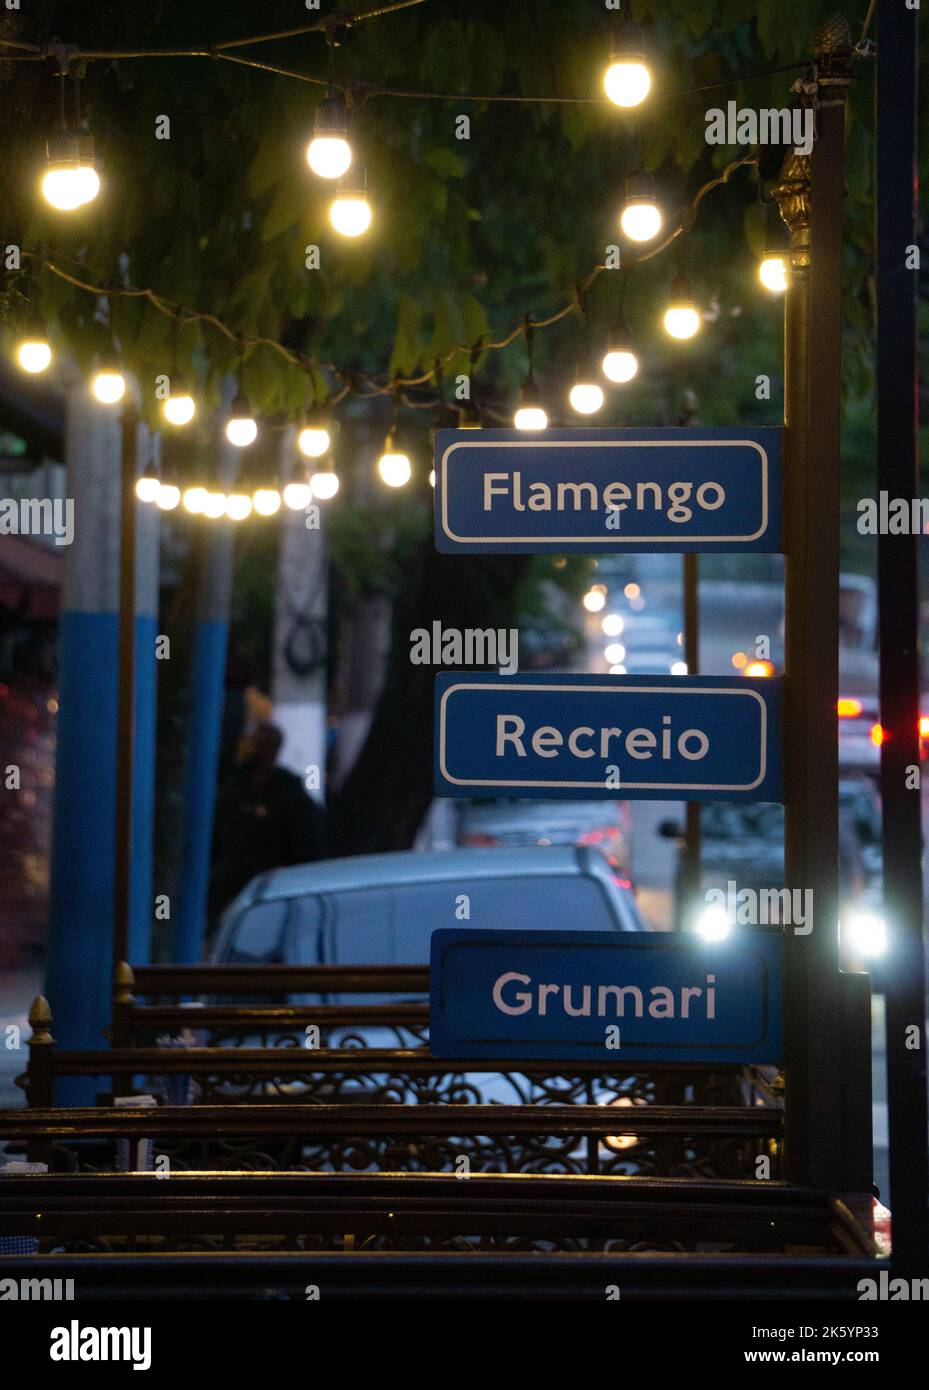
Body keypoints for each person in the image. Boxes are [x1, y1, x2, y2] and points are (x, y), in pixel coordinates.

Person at [209, 722, 327, 925]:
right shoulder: (233, 790)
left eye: (254, 742)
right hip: (230, 894)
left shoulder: (291, 800)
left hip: (269, 897)